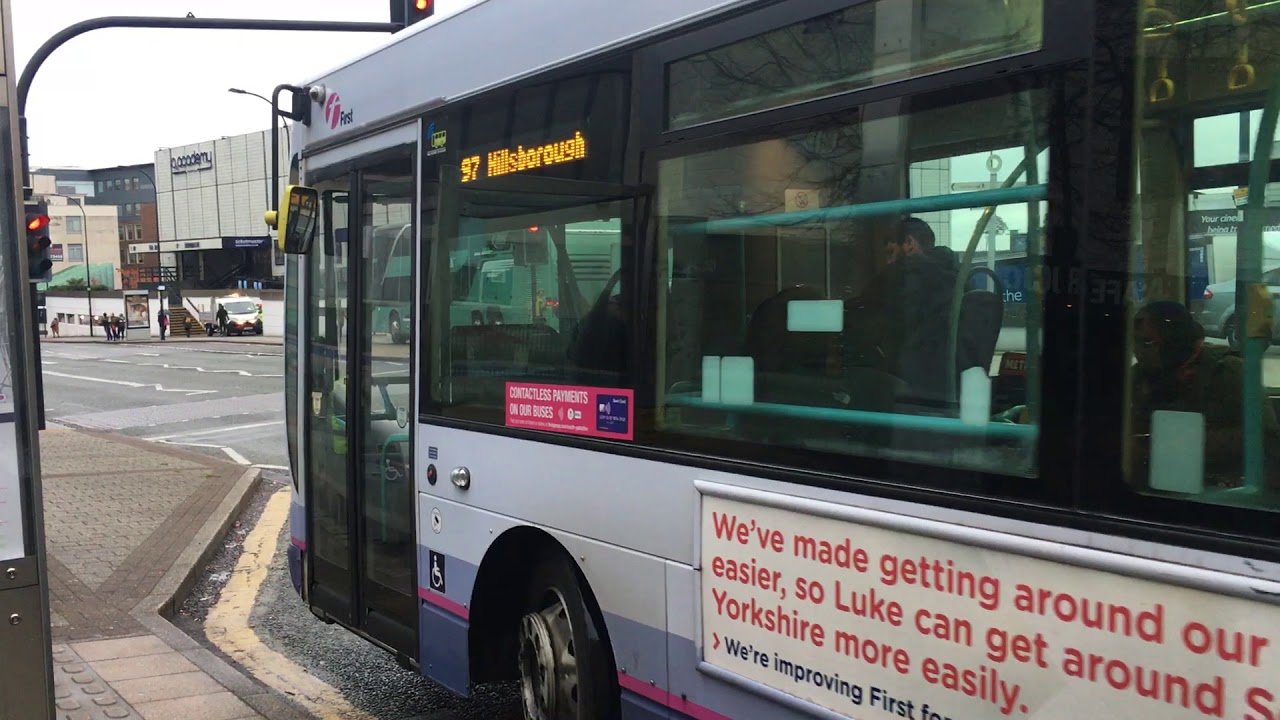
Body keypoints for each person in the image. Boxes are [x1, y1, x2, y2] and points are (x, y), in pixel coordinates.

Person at [1129, 300, 1280, 489]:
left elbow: (1265, 436)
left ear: (1173, 341)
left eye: (1147, 342)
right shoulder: (1139, 377)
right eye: (1134, 341)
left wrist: (1180, 441)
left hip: (1220, 486)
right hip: (1159, 482)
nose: (1137, 350)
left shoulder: (1227, 370)